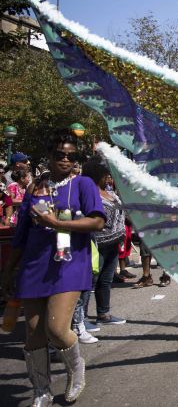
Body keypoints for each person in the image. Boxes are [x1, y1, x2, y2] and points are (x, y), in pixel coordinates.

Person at [0, 131, 105, 405]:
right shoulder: (36, 186)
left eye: (72, 155)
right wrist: (10, 268)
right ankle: (41, 390)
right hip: (34, 263)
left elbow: (97, 222)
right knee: (33, 332)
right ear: (50, 156)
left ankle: (76, 369)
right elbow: (22, 231)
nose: (66, 160)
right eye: (60, 155)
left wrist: (58, 224)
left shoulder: (83, 184)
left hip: (70, 263)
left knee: (56, 329)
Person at [82, 157, 127, 325]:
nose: (108, 178)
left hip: (113, 243)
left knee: (106, 280)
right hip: (96, 244)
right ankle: (82, 318)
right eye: (105, 175)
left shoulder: (110, 192)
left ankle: (104, 313)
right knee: (90, 281)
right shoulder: (87, 193)